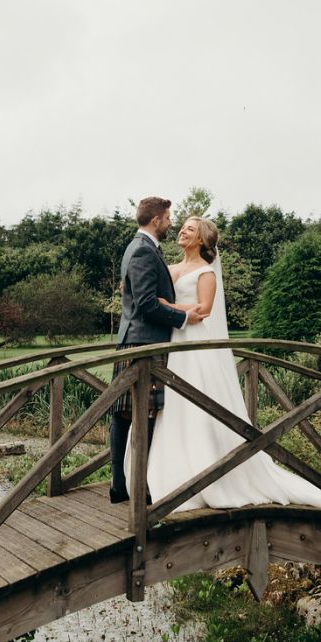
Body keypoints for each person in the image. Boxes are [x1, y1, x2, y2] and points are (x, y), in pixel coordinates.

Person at [125, 215, 321, 511]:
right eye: (183, 226)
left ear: (201, 239)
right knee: (171, 408)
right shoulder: (170, 268)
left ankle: (205, 474)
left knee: (196, 406)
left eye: (190, 228)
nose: (182, 230)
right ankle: (165, 475)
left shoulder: (206, 273)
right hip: (172, 343)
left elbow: (204, 310)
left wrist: (170, 306)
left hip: (194, 345)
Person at [109, 197, 205, 503]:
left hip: (137, 339)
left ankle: (125, 484)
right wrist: (183, 318)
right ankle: (136, 486)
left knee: (126, 412)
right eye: (168, 218)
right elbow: (146, 304)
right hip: (144, 342)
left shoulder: (139, 247)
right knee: (140, 412)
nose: (170, 223)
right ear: (156, 220)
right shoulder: (143, 251)